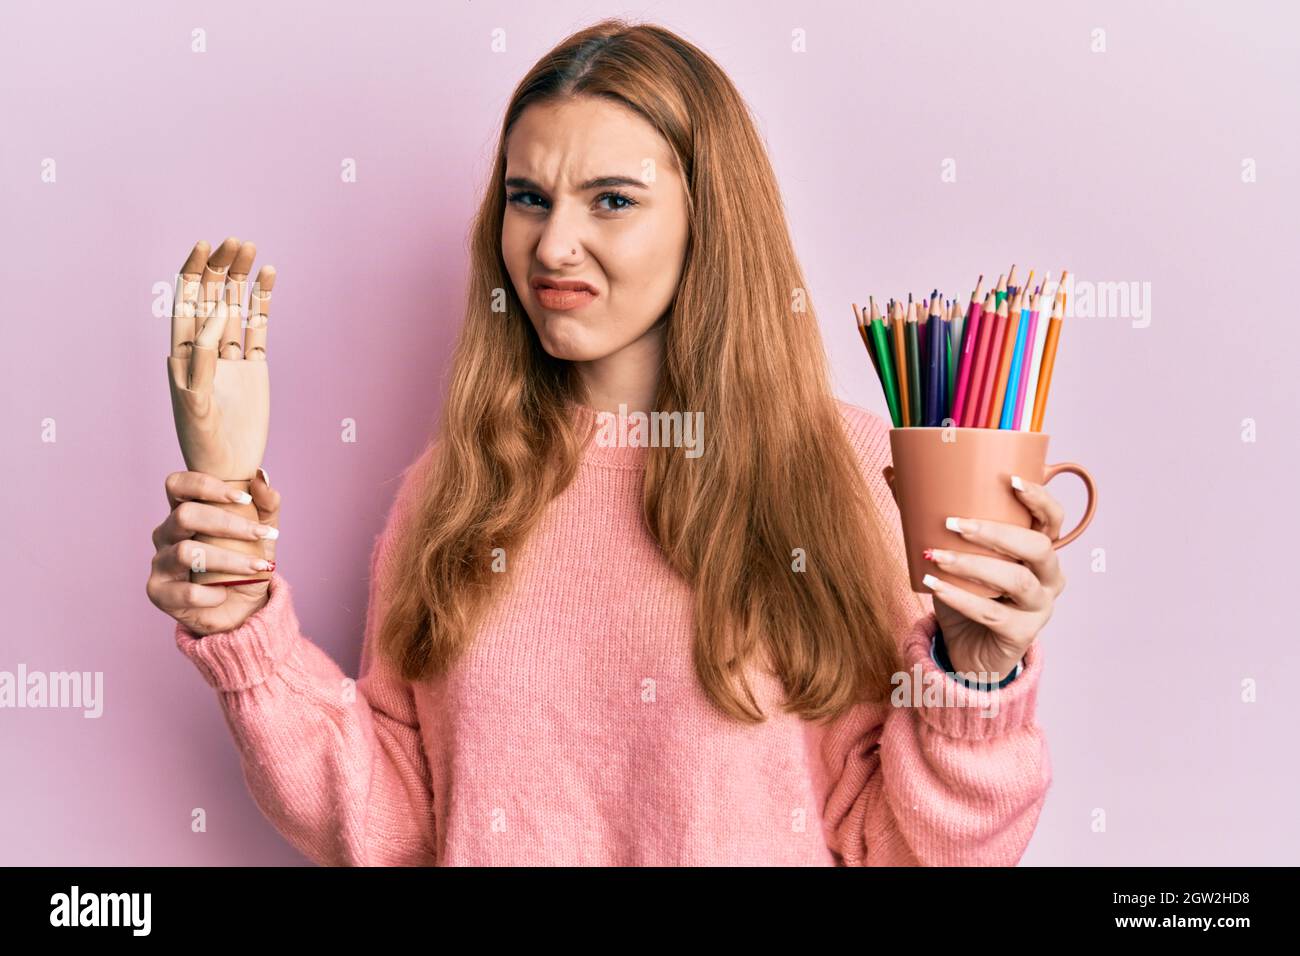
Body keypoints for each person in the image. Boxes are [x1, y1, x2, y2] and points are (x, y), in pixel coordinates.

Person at [147, 18, 1066, 866]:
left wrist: (975, 680)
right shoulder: (455, 490)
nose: (553, 246)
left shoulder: (857, 477)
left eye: (612, 200)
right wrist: (242, 625)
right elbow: (396, 818)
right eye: (529, 198)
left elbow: (915, 852)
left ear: (709, 218)